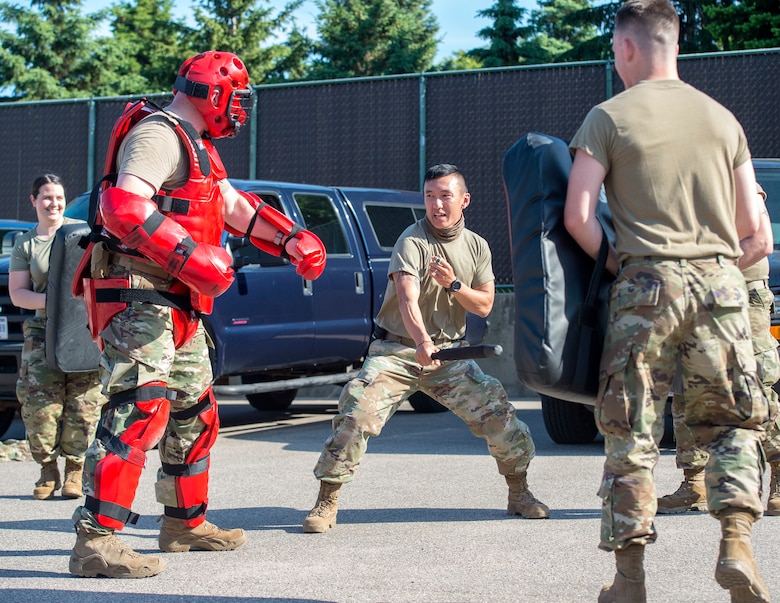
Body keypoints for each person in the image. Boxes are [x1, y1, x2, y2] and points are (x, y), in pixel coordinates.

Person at [68, 50, 326, 579]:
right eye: (238, 96)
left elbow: (231, 205)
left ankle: (184, 523)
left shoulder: (199, 144)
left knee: (196, 410)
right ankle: (97, 541)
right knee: (139, 409)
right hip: (140, 293)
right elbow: (123, 206)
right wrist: (189, 255)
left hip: (178, 300)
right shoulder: (159, 135)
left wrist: (291, 239)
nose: (241, 109)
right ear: (213, 91)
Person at [564, 1, 772, 601]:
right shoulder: (722, 120)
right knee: (735, 422)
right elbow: (758, 233)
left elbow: (579, 217)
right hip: (724, 287)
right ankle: (736, 543)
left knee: (631, 432)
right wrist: (717, 269)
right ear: (674, 43)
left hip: (645, 286)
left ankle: (629, 581)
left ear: (626, 47)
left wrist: (625, 265)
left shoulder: (607, 116)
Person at [302, 163, 549, 534]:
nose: (436, 205)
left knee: (500, 416)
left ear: (464, 200)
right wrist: (421, 342)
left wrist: (453, 285)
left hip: (449, 356)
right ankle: (327, 500)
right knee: (356, 414)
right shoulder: (412, 240)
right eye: (430, 196)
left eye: (445, 196)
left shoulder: (477, 245)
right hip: (397, 352)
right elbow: (406, 297)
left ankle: (519, 493)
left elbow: (483, 305)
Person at [658, 183, 780, 517]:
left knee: (754, 386)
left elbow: (760, 242)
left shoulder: (734, 174)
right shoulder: (677, 179)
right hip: (692, 295)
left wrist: (703, 273)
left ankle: (779, 477)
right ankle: (694, 482)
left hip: (740, 291)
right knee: (688, 390)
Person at [9, 174, 105, 500]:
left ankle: (75, 472)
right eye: (47, 197)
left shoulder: (83, 234)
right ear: (34, 201)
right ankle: (47, 470)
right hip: (42, 331)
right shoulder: (26, 243)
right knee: (41, 407)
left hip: (83, 329)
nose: (54, 203)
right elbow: (19, 294)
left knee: (84, 405)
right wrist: (56, 305)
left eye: (59, 197)